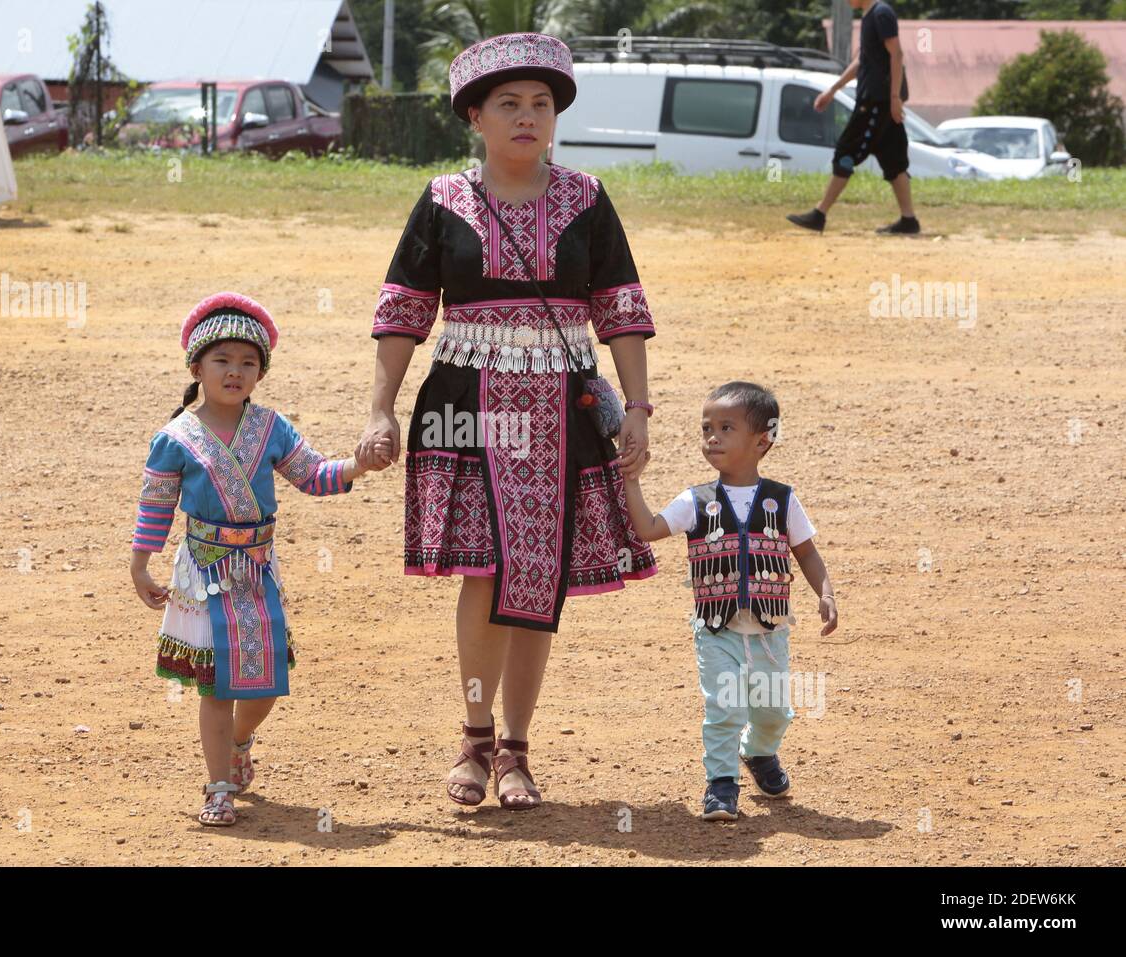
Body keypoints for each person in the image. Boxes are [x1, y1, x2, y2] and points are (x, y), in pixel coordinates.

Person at [357, 33, 658, 810]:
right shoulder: (441, 200)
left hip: (564, 404)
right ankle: (474, 737)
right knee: (485, 566)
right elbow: (402, 314)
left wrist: (641, 409)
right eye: (509, 105)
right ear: (475, 118)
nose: (528, 118)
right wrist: (379, 408)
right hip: (465, 405)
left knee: (538, 569)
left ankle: (517, 750)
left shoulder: (588, 199)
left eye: (542, 105)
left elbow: (620, 309)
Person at [130, 292, 383, 826]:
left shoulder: (272, 428)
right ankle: (218, 786)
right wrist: (140, 564)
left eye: (248, 363)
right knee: (219, 682)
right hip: (203, 572)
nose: (235, 372)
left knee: (266, 681)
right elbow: (155, 506)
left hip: (258, 572)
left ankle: (241, 741)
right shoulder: (174, 439)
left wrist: (356, 467)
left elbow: (312, 475)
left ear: (260, 373)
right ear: (196, 367)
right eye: (222, 360)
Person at [623, 382, 838, 822]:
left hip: (770, 632)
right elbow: (647, 528)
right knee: (724, 706)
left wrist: (827, 593)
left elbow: (807, 552)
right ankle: (721, 784)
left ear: (763, 441)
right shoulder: (695, 500)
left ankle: (759, 752)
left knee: (774, 711)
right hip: (716, 630)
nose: (712, 438)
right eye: (706, 429)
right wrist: (632, 480)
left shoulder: (783, 499)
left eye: (725, 428)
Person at [787, 0, 920, 235]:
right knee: (894, 160)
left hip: (876, 103)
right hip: (878, 102)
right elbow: (862, 61)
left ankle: (819, 214)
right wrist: (833, 89)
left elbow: (897, 54)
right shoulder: (870, 16)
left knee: (846, 153)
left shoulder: (881, 14)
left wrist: (894, 99)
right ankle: (908, 220)